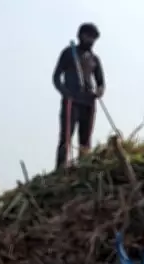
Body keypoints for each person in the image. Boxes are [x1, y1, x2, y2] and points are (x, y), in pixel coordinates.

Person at [52, 22, 105, 169]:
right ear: (81, 36)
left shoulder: (94, 59)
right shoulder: (69, 53)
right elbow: (56, 77)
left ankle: (83, 167)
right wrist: (65, 92)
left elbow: (101, 82)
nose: (92, 41)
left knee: (85, 139)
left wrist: (99, 92)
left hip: (88, 103)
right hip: (71, 101)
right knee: (66, 137)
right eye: (90, 37)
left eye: (94, 38)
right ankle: (61, 169)